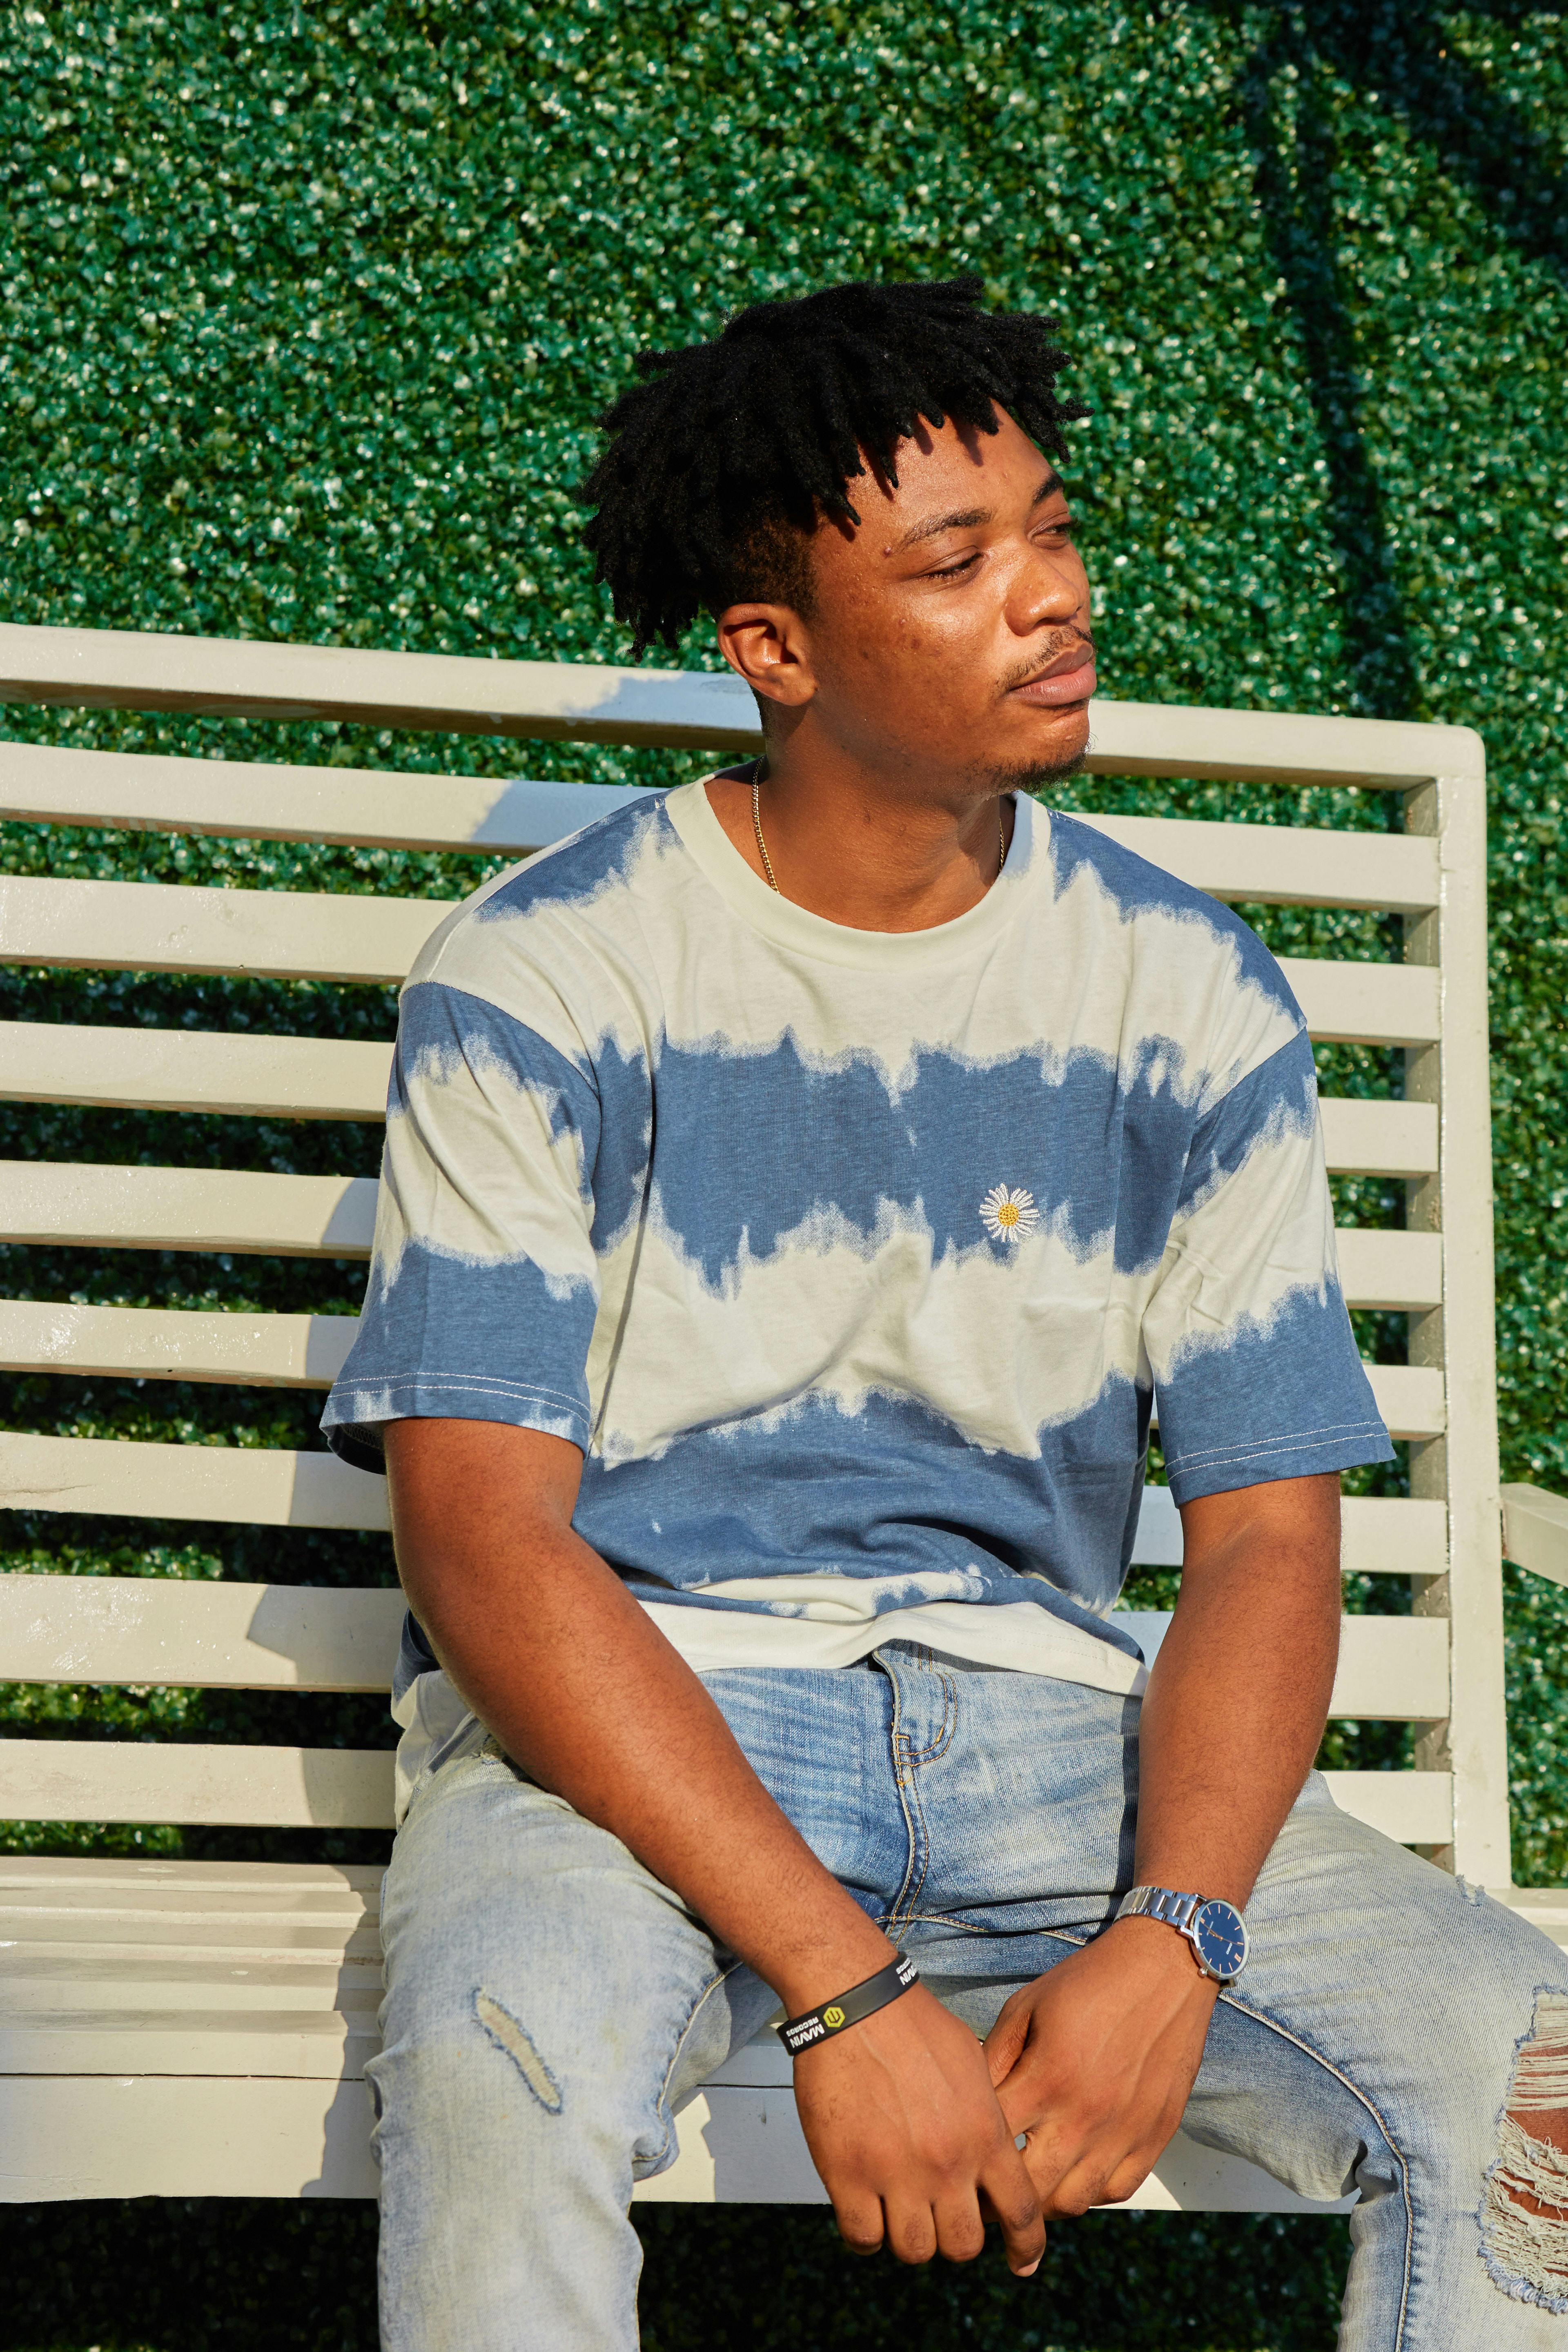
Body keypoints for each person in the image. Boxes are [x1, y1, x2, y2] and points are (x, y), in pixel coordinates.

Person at [323, 277, 1568, 2349]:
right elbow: (486, 1538)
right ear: (779, 653)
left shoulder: (1181, 986)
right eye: (958, 560)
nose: (1050, 597)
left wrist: (1178, 1931)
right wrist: (842, 1983)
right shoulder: (545, 978)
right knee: (497, 2042)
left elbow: (1267, 1530)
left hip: (1057, 1747)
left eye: (1053, 528)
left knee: (1540, 2081)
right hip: (641, 1750)